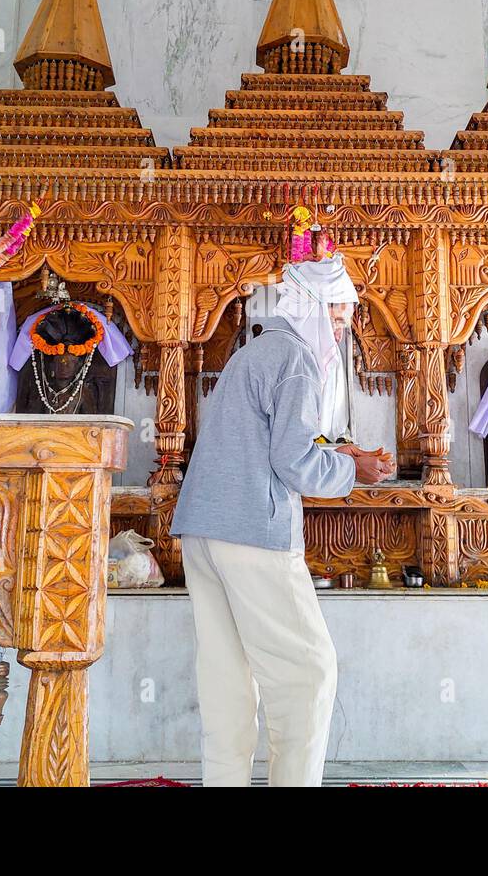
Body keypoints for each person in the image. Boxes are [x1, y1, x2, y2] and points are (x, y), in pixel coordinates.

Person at [171, 253, 396, 787]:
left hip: (204, 530)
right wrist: (354, 471)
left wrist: (342, 452)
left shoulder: (257, 352)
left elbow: (278, 442)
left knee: (227, 678)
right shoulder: (296, 359)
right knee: (308, 673)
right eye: (338, 315)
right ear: (314, 309)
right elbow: (293, 462)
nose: (343, 328)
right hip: (252, 532)